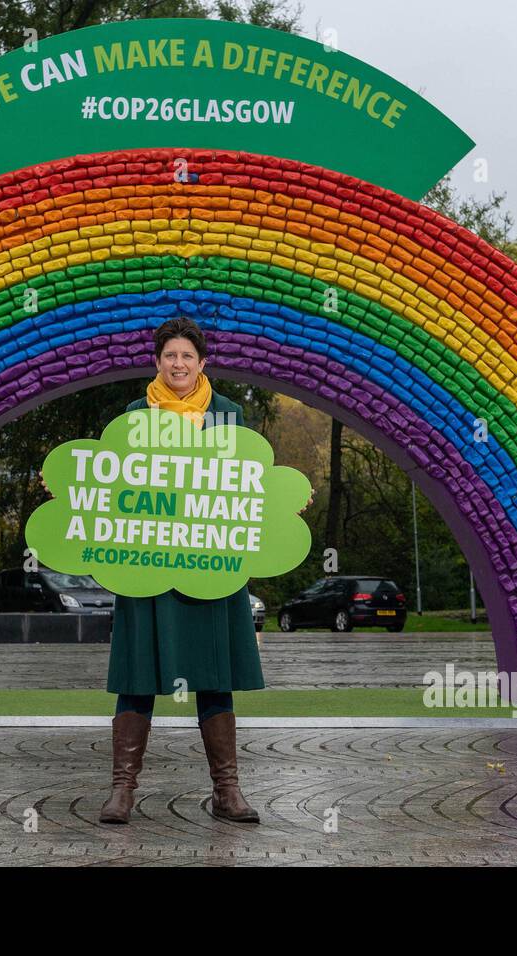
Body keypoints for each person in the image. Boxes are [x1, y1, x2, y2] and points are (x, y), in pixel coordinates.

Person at [97, 317, 309, 825]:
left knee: (215, 675)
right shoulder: (131, 417)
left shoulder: (228, 419)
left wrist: (283, 505)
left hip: (210, 563)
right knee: (138, 672)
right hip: (145, 565)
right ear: (157, 361)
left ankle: (227, 792)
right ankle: (122, 791)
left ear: (202, 363)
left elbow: (250, 486)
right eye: (169, 355)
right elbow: (110, 489)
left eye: (187, 356)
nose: (178, 364)